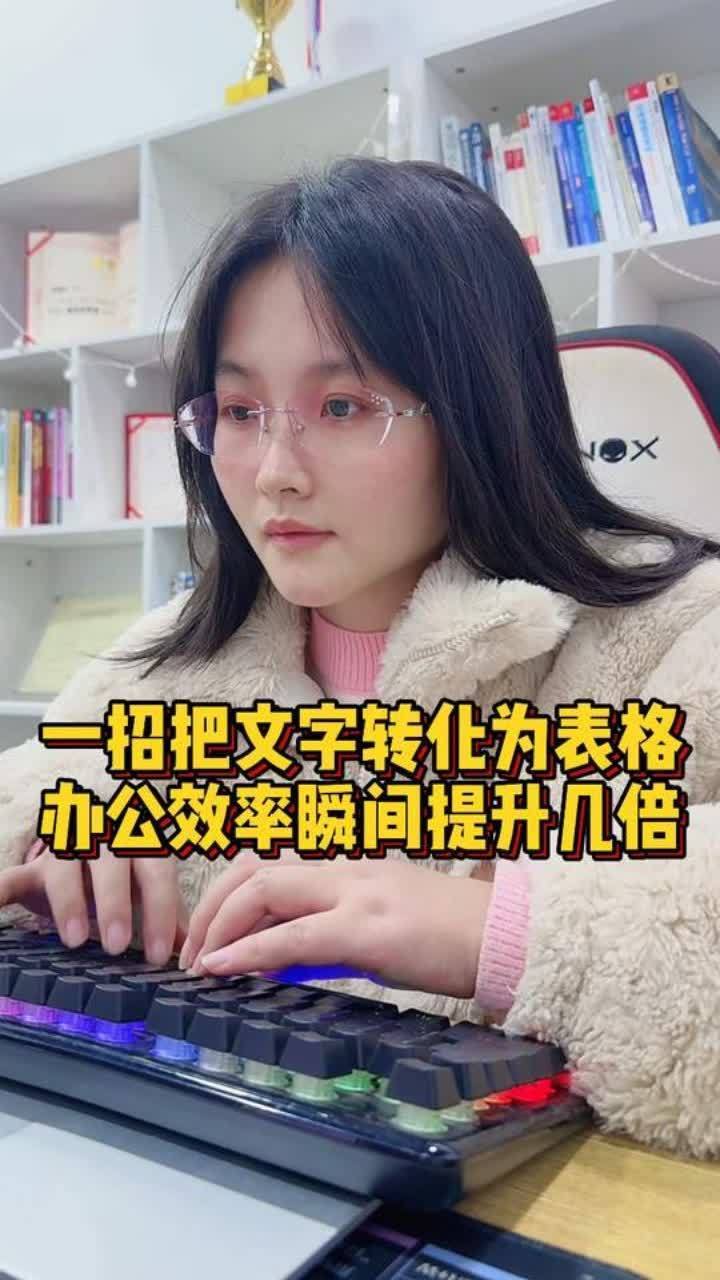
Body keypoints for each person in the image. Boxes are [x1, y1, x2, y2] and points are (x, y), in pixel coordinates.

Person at [0, 157, 718, 1159]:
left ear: (479, 407)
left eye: (342, 406)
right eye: (238, 412)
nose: (274, 473)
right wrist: (47, 830)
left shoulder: (677, 637)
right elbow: (32, 783)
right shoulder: (166, 664)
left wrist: (496, 930)